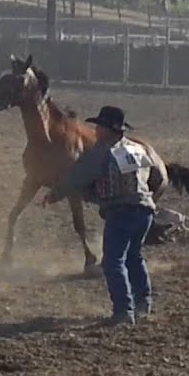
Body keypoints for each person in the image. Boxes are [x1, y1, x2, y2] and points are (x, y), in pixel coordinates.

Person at [42, 106, 158, 326]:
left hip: (121, 212)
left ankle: (124, 311)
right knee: (135, 256)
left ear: (107, 130)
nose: (95, 130)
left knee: (114, 262)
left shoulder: (101, 152)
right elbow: (145, 176)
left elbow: (78, 176)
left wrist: (54, 194)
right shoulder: (136, 149)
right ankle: (144, 302)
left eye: (99, 127)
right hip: (145, 211)